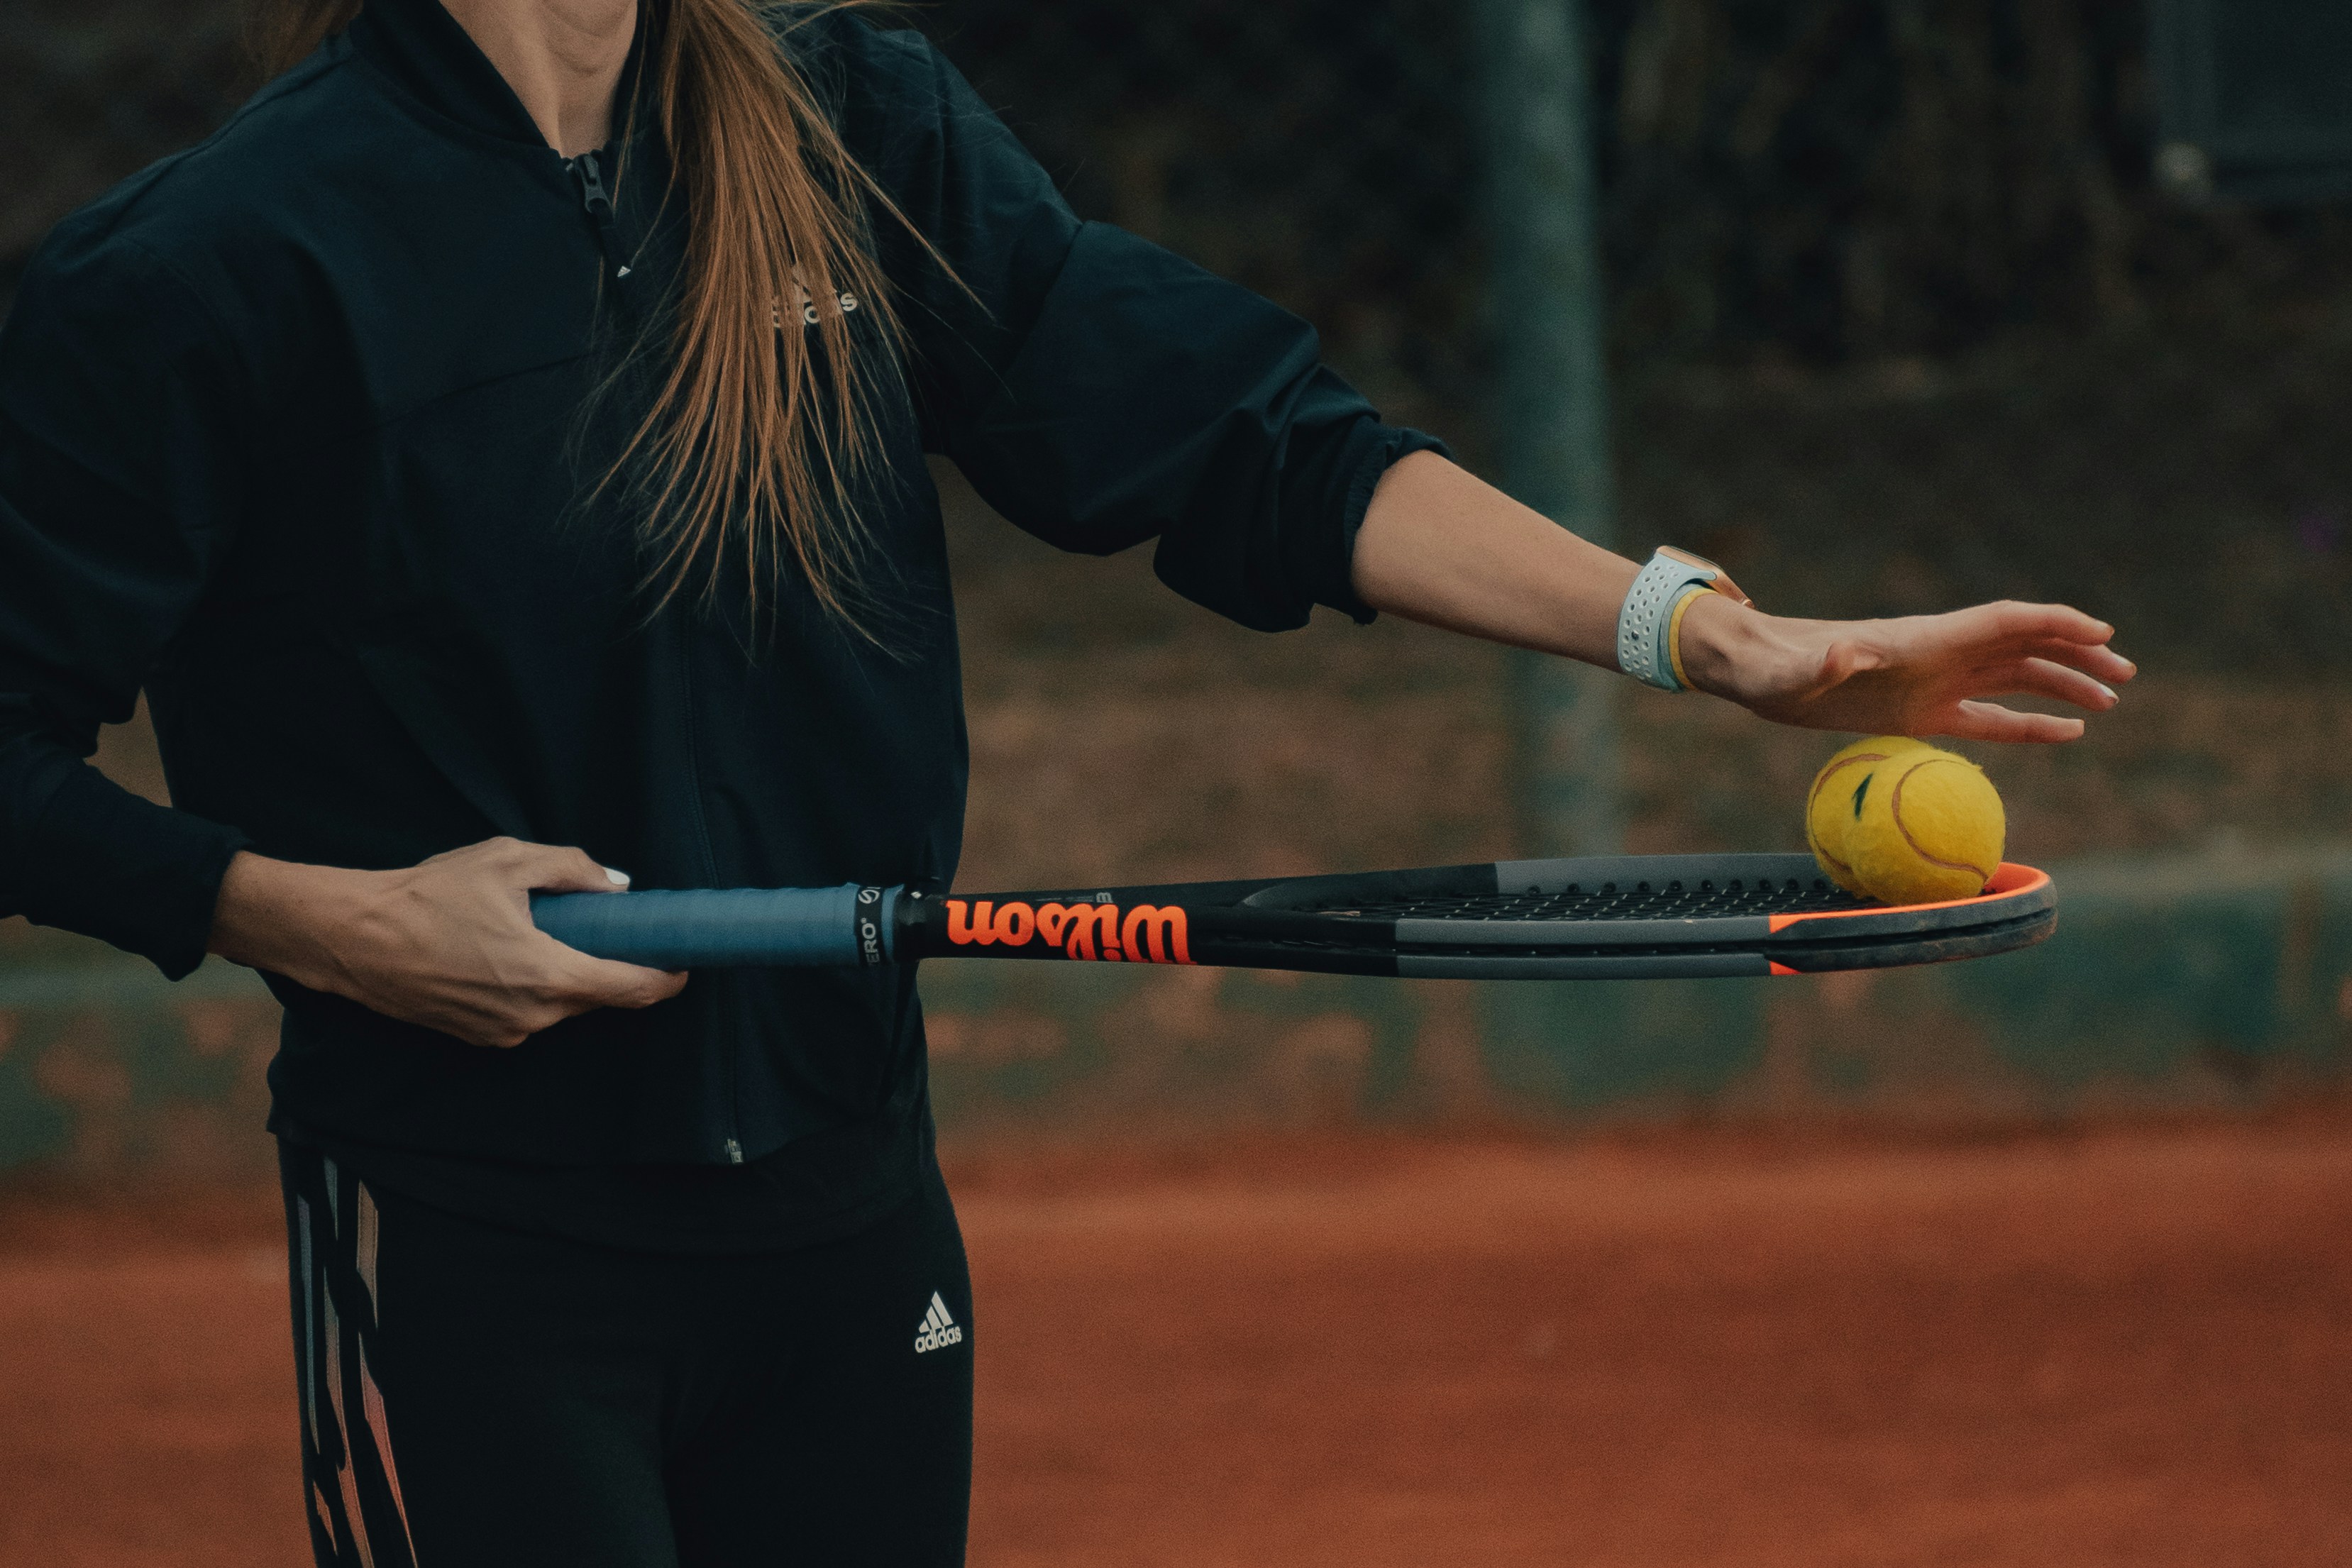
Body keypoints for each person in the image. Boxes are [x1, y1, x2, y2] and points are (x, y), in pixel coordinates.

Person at [0, 0, 2133, 1562]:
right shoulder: (214, 269)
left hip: (846, 1211)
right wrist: (310, 917)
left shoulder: (853, 135)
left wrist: (1711, 637)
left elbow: (1245, 442)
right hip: (477, 1240)